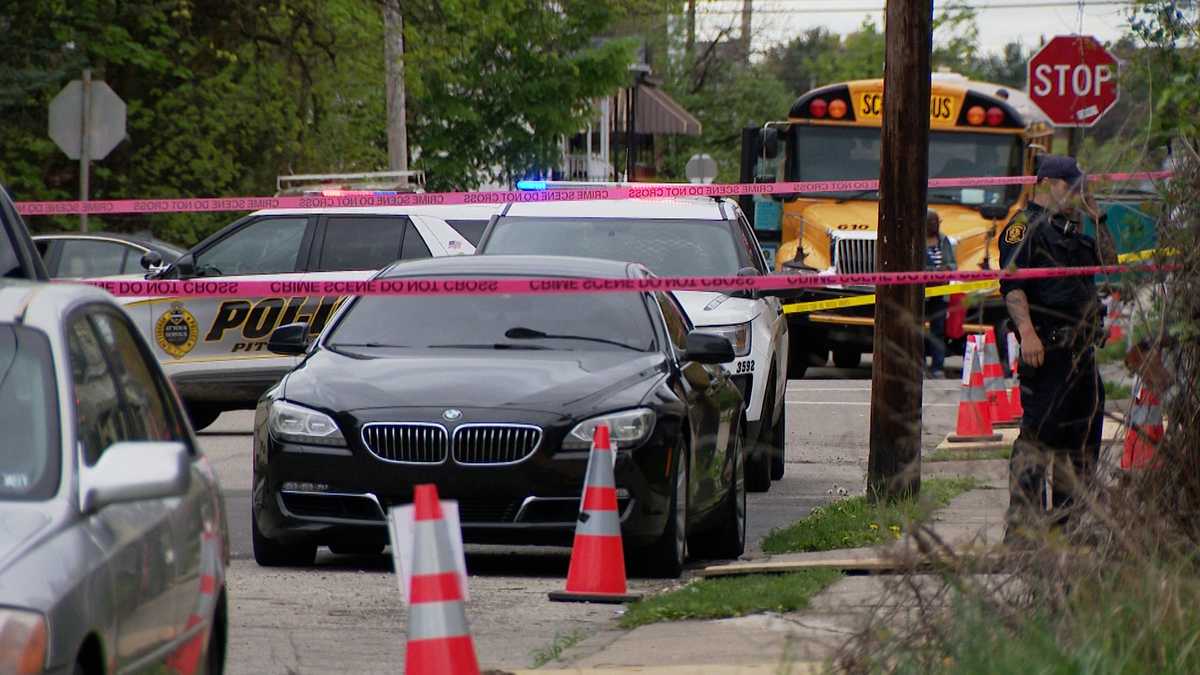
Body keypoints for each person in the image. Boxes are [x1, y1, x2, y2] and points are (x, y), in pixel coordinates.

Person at [998, 155, 1117, 542]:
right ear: (1048, 182)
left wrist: (1098, 218)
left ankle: (1071, 524)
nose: (1078, 192)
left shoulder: (1074, 230)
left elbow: (1111, 267)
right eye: (1072, 185)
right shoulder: (1023, 228)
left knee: (1081, 441)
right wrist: (1027, 333)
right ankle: (1025, 527)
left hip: (1082, 354)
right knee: (1038, 439)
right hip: (1046, 352)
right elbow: (1012, 285)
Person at [924, 210, 956, 378]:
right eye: (931, 222)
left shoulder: (944, 240)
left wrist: (947, 269)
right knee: (918, 329)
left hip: (941, 293)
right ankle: (919, 364)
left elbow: (953, 264)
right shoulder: (916, 240)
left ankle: (938, 367)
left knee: (938, 330)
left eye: (937, 222)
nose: (935, 225)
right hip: (922, 294)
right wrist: (932, 272)